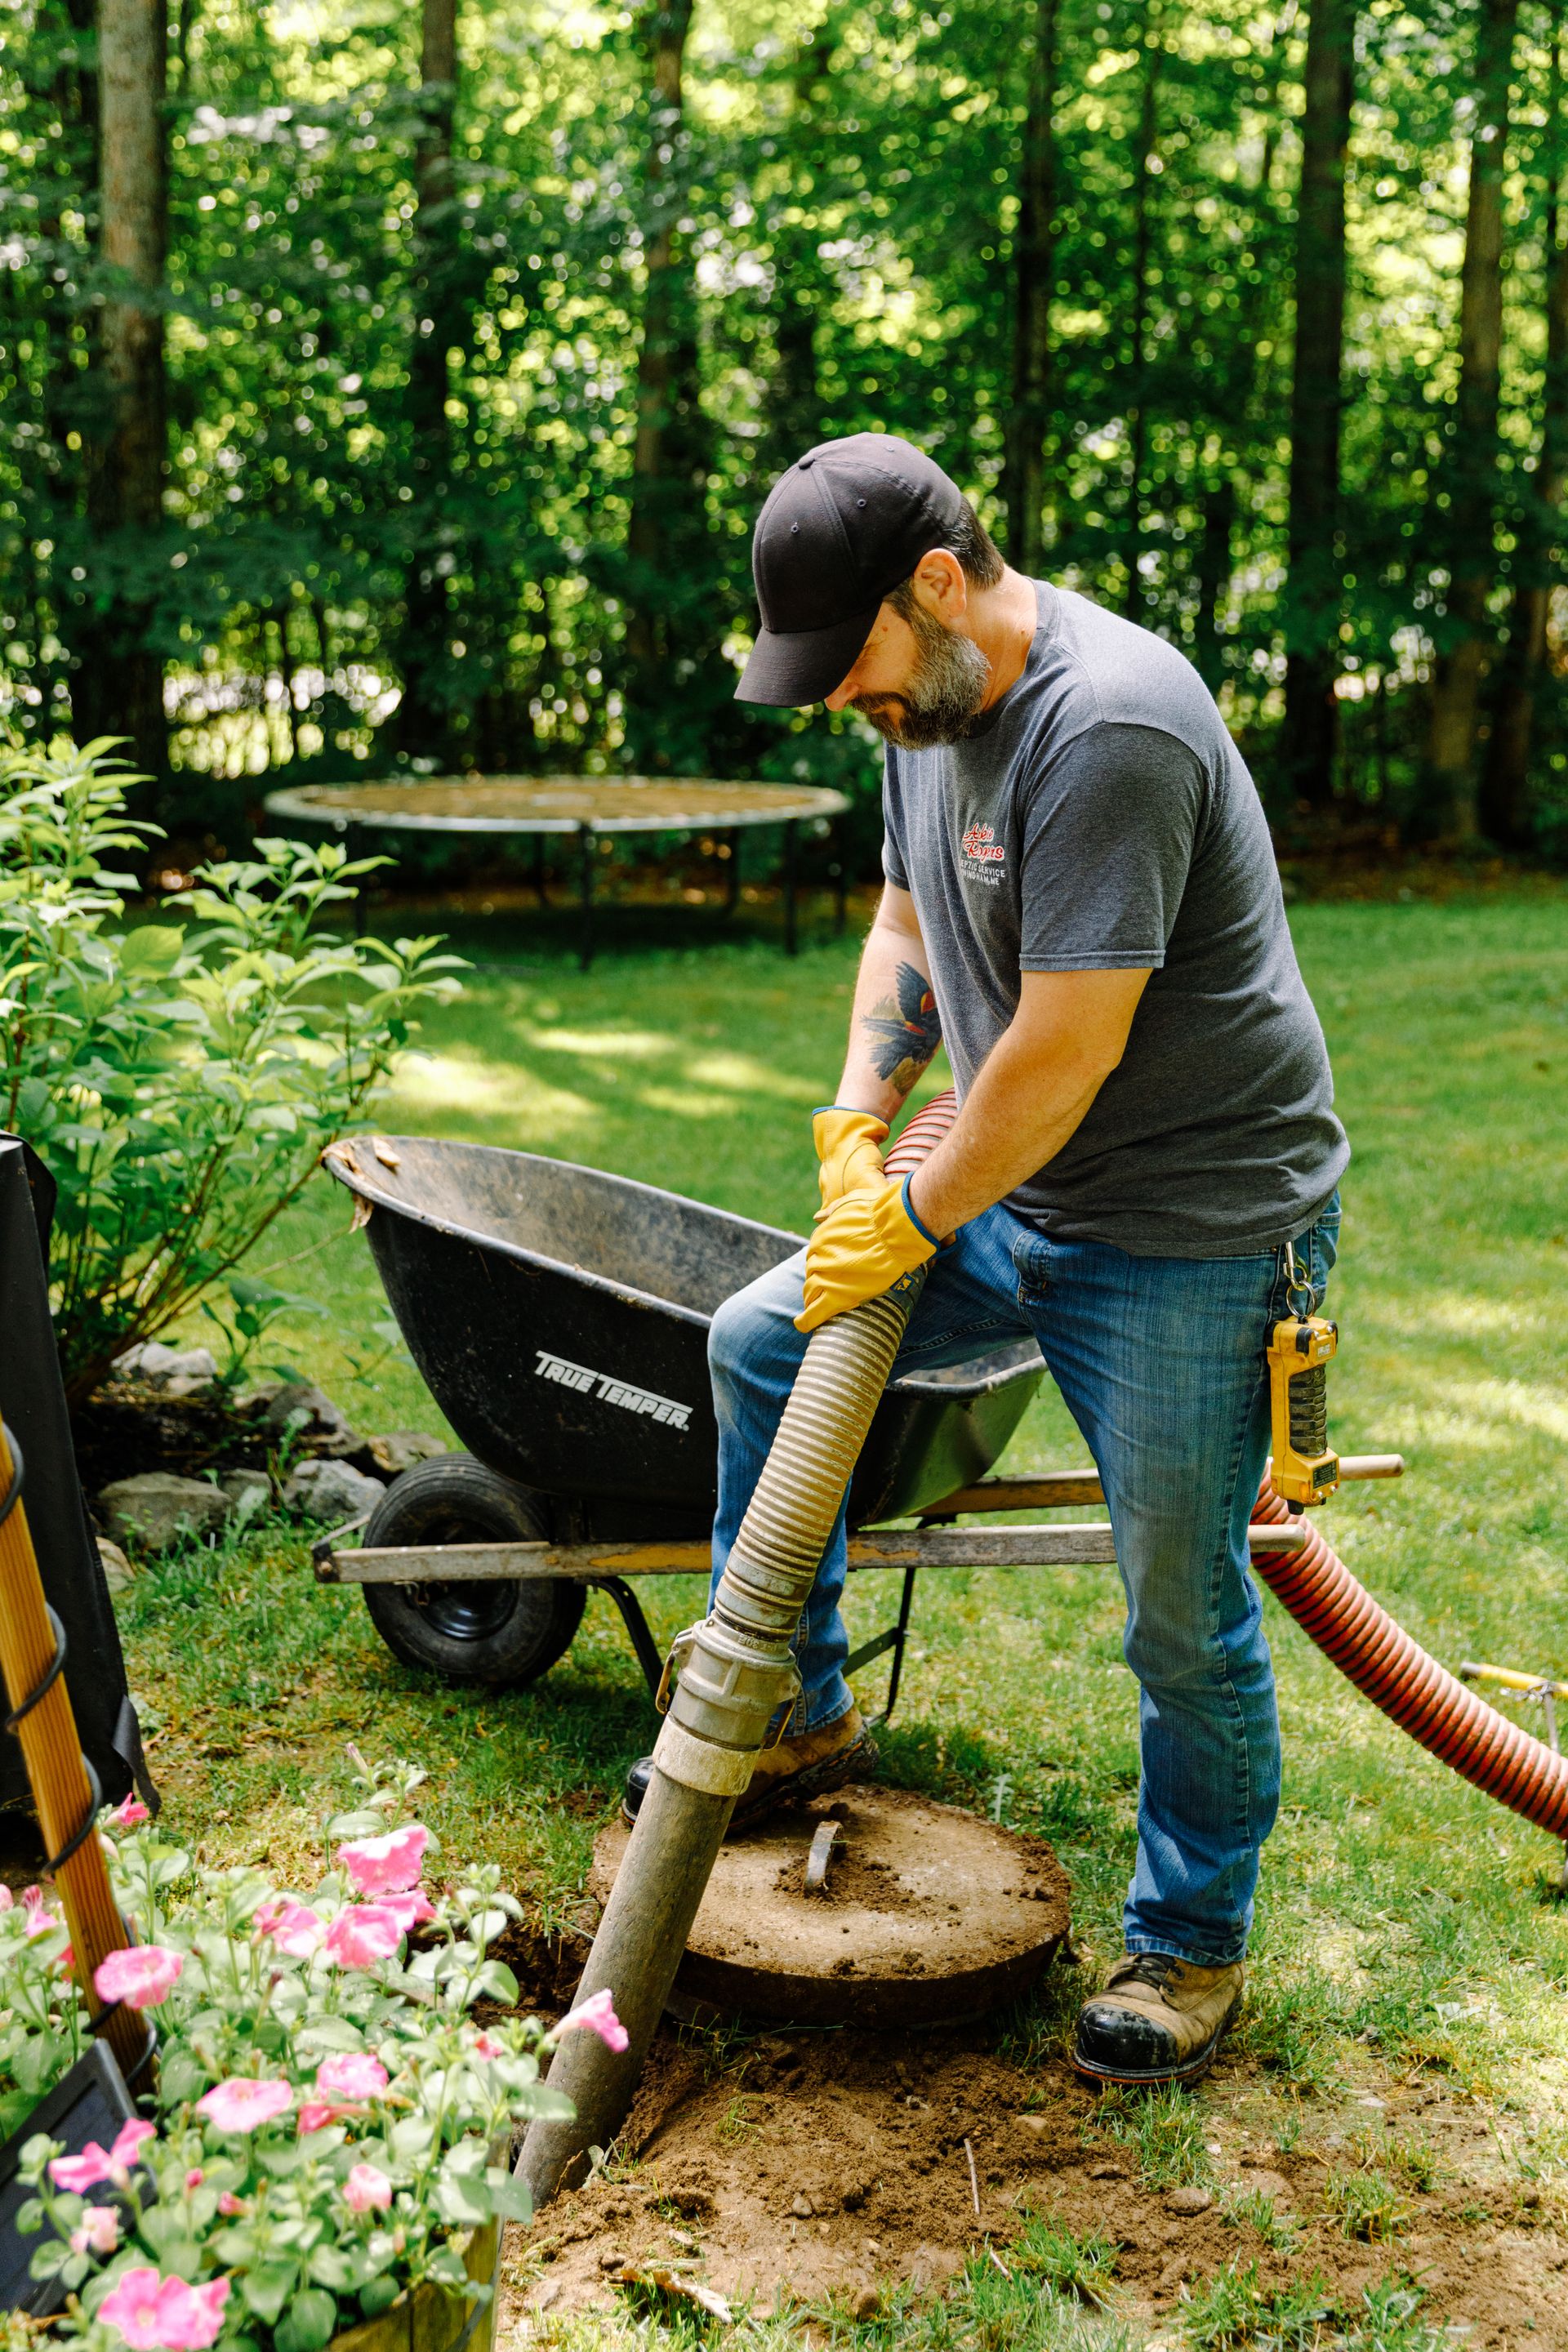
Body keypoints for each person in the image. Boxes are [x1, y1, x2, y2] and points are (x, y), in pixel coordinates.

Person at [633, 433, 1348, 2088]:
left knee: (1179, 1602)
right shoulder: (925, 705)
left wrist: (921, 1206)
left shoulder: (1109, 725)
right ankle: (796, 1715)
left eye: (849, 664)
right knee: (760, 1339)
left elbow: (1063, 1050)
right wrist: (853, 1109)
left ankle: (1189, 1945)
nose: (840, 704)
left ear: (938, 584)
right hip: (1010, 1170)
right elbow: (906, 920)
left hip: (1189, 1222)